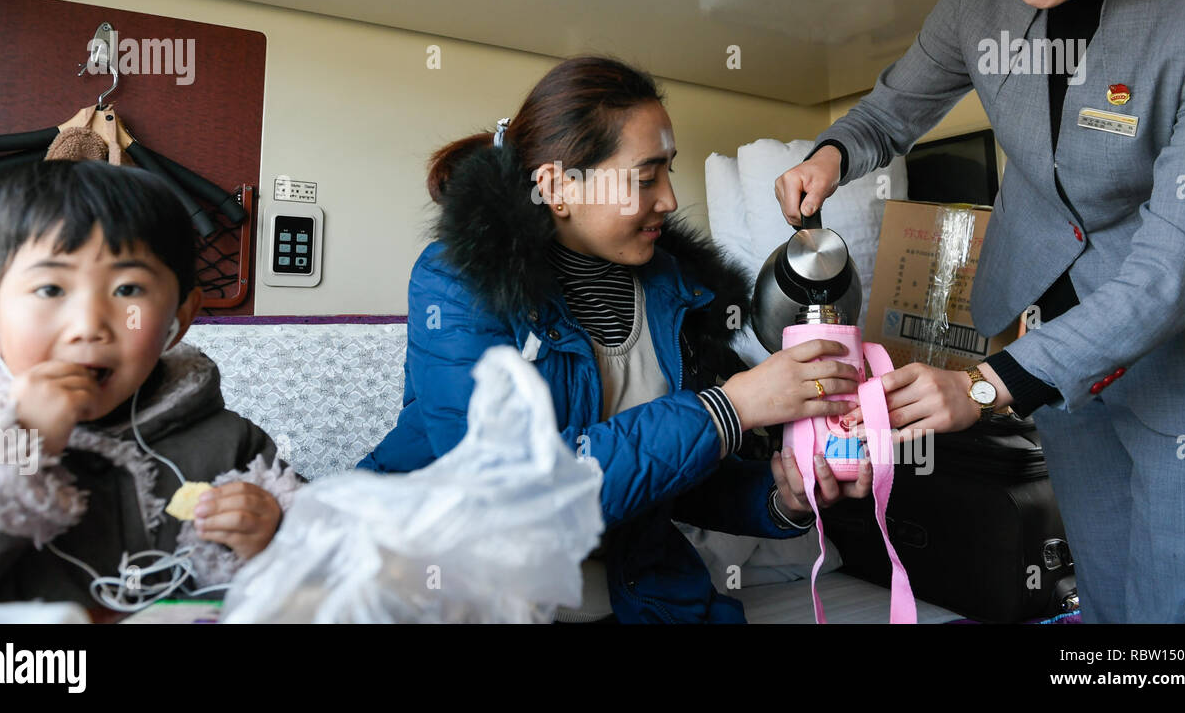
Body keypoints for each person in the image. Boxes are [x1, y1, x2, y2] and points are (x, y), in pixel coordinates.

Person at [775, 0, 1185, 623]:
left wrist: (991, 385)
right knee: (1101, 592)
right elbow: (894, 108)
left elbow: (1184, 256)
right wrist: (833, 155)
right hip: (1053, 336)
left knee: (1179, 609)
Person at [359, 56, 872, 623]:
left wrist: (783, 499)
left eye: (669, 171)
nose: (670, 199)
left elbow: (671, 470)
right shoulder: (458, 283)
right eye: (645, 176)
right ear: (556, 185)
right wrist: (731, 407)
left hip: (633, 593)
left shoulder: (676, 294)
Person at [0, 159, 300, 609]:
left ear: (178, 320)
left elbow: (322, 564)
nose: (89, 326)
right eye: (50, 289)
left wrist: (271, 537)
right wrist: (15, 450)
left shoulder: (231, 443)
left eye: (128, 290)